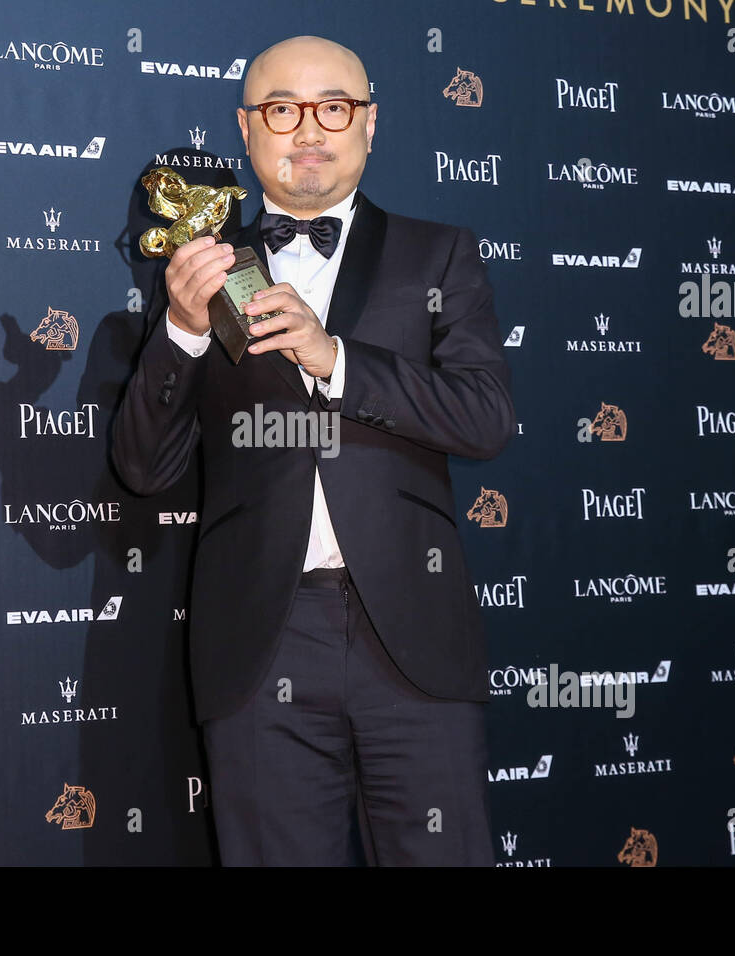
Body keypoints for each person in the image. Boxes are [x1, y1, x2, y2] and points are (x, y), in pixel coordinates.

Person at [111, 35, 516, 865]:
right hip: (260, 641)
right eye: (281, 110)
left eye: (333, 107)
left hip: (413, 634)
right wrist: (183, 332)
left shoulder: (439, 253)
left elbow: (484, 418)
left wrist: (336, 360)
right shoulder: (209, 267)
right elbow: (143, 468)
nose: (308, 130)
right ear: (248, 129)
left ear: (369, 124)